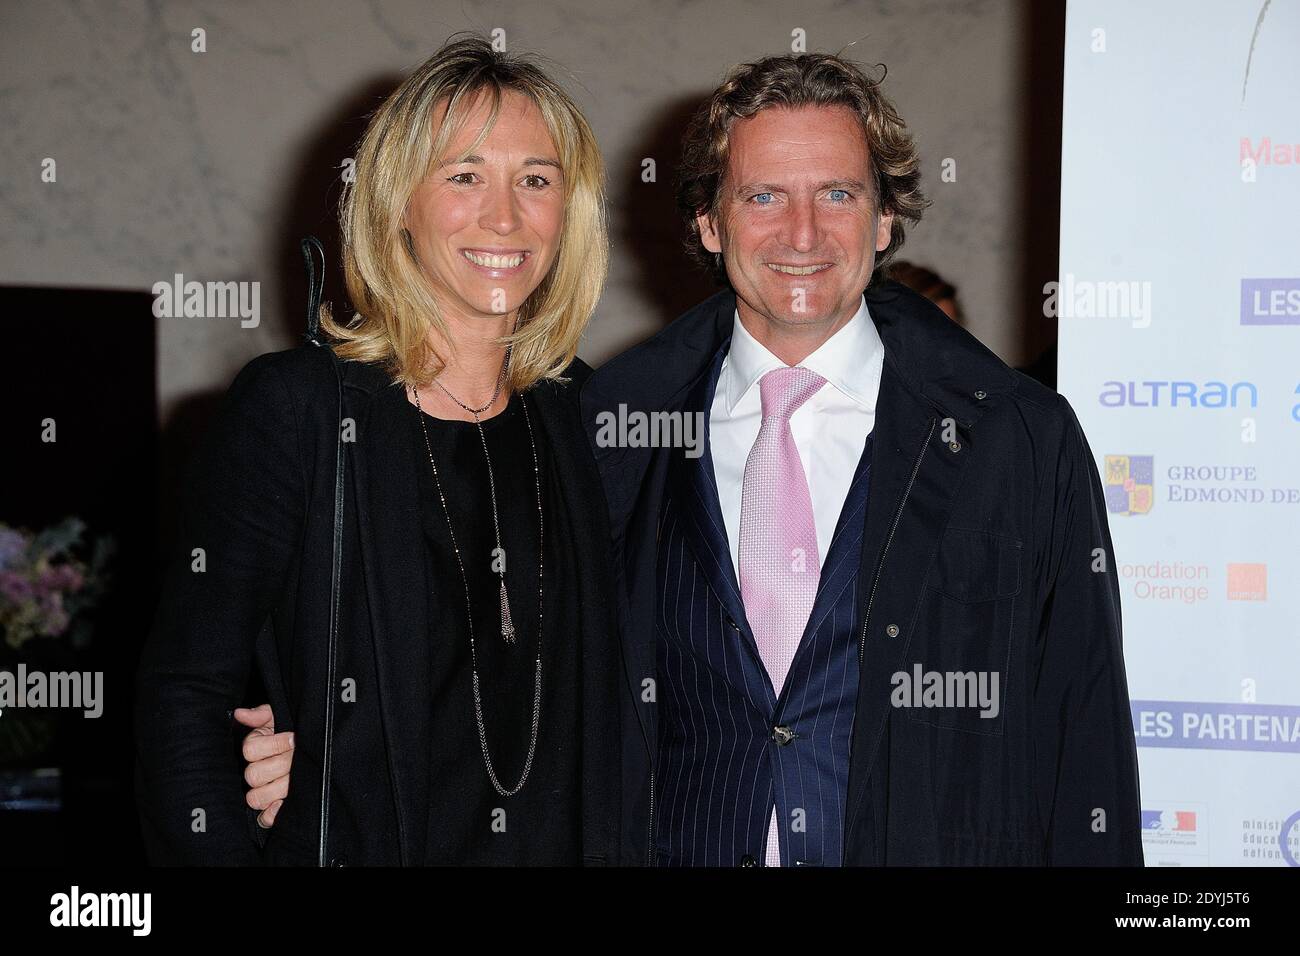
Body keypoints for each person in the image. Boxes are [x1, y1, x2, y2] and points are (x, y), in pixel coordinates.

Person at [241, 49, 1144, 867]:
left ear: (884, 222)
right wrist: (316, 743)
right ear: (709, 224)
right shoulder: (605, 427)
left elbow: (1085, 725)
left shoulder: (1017, 435)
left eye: (837, 194)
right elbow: (496, 675)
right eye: (761, 197)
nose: (801, 234)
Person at [134, 35, 622, 865]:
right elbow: (186, 693)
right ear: (398, 201)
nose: (504, 217)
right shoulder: (298, 410)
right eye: (464, 176)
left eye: (535, 180)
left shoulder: (586, 415)